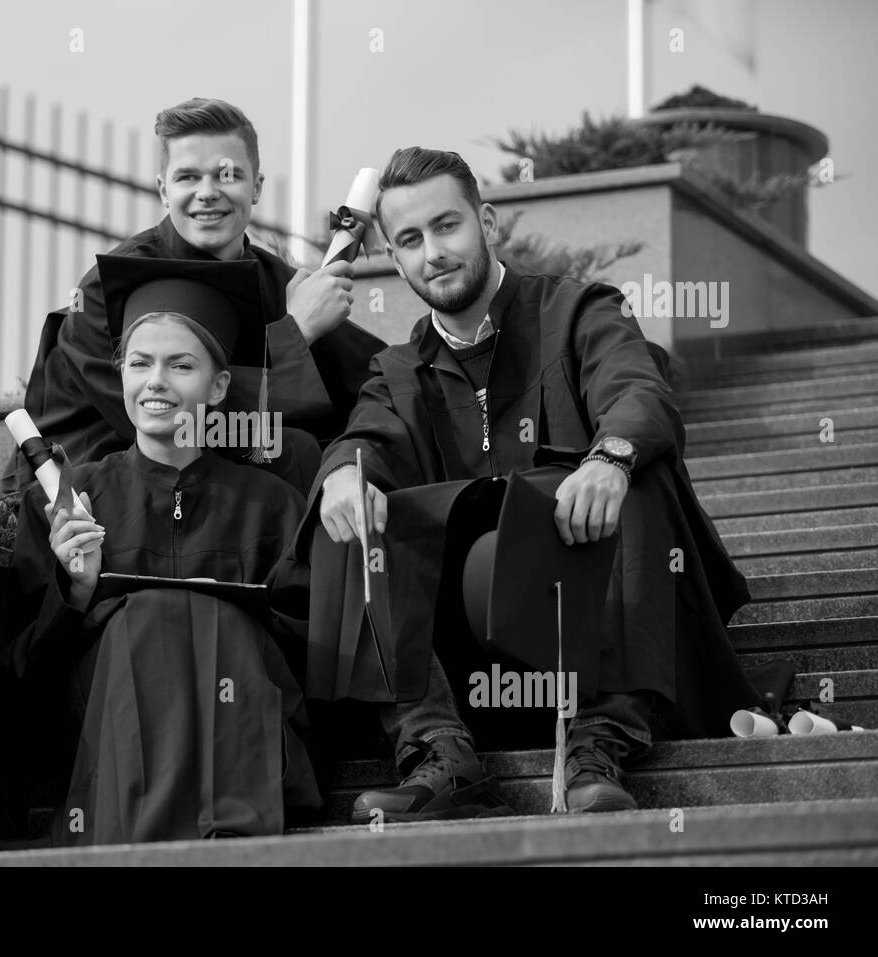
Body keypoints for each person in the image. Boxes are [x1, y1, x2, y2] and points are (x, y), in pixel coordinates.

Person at [307, 147, 763, 818]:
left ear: (486, 221)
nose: (433, 251)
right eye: (410, 239)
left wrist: (608, 458)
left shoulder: (577, 312)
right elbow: (365, 439)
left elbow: (638, 391)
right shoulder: (398, 371)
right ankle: (439, 751)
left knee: (638, 470)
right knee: (346, 503)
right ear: (395, 259)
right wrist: (345, 476)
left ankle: (599, 744)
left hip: (590, 626)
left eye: (447, 225)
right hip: (470, 656)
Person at [6, 255, 322, 844]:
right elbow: (20, 676)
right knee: (147, 618)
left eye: (181, 365)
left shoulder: (273, 506)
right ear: (120, 374)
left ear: (220, 385)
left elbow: (301, 657)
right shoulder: (69, 504)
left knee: (195, 618)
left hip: (239, 729)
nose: (156, 382)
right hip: (111, 729)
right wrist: (74, 592)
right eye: (140, 363)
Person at [2, 97, 386, 496]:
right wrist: (293, 335)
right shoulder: (108, 291)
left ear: (256, 188)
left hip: (220, 496)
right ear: (163, 190)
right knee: (290, 452)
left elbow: (378, 382)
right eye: (188, 177)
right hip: (93, 497)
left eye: (228, 175)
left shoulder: (279, 283)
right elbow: (176, 429)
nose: (208, 192)